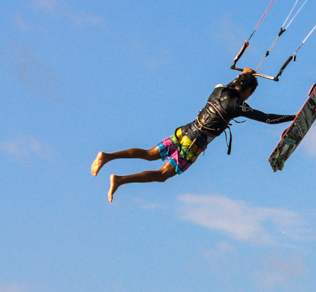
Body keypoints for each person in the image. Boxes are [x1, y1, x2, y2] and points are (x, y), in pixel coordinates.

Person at [92, 69, 295, 201]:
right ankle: (120, 180)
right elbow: (266, 118)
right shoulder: (237, 106)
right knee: (162, 175)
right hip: (194, 143)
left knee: (148, 154)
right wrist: (294, 117)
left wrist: (243, 74)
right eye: (251, 93)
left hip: (185, 130)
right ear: (249, 90)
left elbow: (232, 84)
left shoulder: (219, 89)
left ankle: (107, 156)